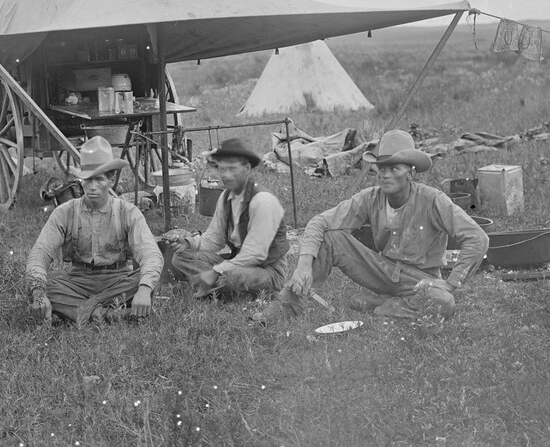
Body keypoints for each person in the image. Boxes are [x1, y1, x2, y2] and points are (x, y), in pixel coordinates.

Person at [254, 129, 488, 322]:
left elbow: (478, 238)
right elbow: (319, 222)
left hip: (421, 282)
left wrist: (449, 283)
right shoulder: (370, 198)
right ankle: (282, 311)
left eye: (394, 168)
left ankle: (384, 306)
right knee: (331, 238)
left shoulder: (433, 200)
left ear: (410, 172)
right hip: (381, 270)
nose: (385, 175)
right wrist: (303, 265)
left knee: (444, 303)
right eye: (382, 168)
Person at [26, 136, 163, 324]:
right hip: (78, 281)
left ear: (111, 179)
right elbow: (40, 253)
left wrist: (145, 288)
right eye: (87, 180)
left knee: (146, 280)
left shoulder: (127, 212)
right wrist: (39, 291)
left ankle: (77, 312)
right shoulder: (64, 212)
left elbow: (150, 253)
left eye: (99, 180)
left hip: (118, 281)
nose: (92, 187)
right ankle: (107, 314)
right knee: (39, 285)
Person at [165, 137, 289, 299]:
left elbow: (255, 255)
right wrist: (188, 242)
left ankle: (237, 291)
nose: (226, 175)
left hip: (268, 270)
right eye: (222, 169)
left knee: (232, 276)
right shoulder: (226, 198)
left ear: (246, 168)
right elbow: (214, 240)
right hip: (237, 264)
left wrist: (216, 272)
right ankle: (223, 290)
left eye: (232, 169)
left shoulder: (263, 202)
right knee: (181, 257)